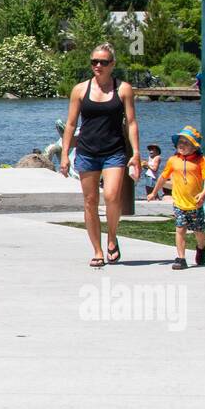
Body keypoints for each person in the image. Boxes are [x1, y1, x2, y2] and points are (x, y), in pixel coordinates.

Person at [59, 43, 141, 267]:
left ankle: (112, 238)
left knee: (113, 196)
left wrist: (136, 153)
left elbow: (131, 123)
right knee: (90, 201)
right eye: (94, 61)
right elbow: (70, 124)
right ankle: (97, 250)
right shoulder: (80, 90)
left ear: (112, 64)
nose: (97, 65)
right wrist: (65, 154)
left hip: (114, 151)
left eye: (103, 62)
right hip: (87, 151)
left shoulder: (123, 89)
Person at [146, 125, 205, 270]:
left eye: (186, 143)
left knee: (199, 231)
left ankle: (201, 248)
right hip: (179, 203)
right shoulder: (173, 160)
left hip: (195, 203)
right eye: (180, 142)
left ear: (194, 147)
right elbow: (163, 177)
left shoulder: (201, 160)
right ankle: (181, 258)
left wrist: (204, 193)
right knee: (180, 228)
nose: (182, 145)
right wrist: (153, 192)